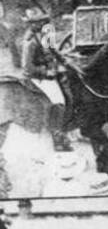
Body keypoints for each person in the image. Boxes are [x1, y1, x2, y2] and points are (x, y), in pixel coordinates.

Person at [20, 9, 67, 141]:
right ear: (32, 24)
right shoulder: (30, 42)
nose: (42, 24)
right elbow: (27, 68)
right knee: (59, 101)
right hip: (38, 78)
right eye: (38, 22)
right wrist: (47, 72)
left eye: (42, 21)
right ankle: (56, 133)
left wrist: (64, 60)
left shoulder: (45, 33)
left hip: (51, 70)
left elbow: (52, 49)